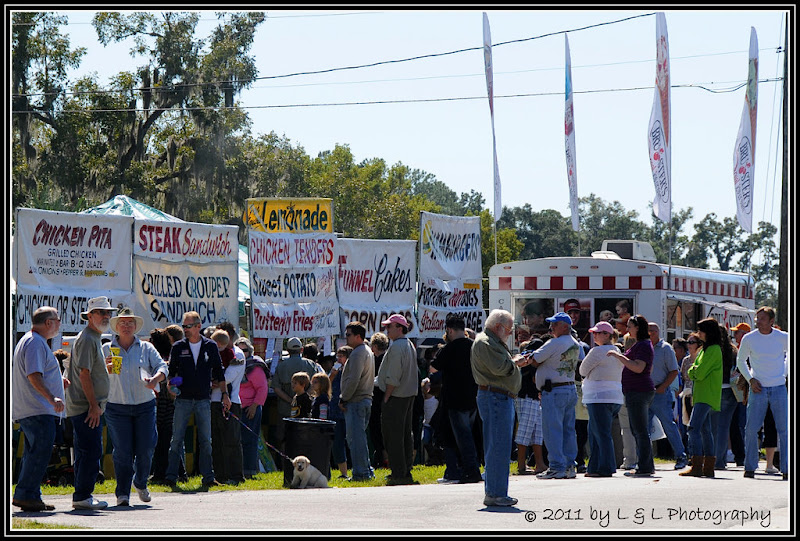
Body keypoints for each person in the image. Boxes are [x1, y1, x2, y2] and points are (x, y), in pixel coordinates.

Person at [103, 307, 167, 506]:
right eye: (122, 322)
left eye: (130, 322)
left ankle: (140, 482)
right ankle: (122, 493)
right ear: (116, 327)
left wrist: (155, 379)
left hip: (144, 405)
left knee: (147, 447)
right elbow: (95, 374)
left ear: (136, 326)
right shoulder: (106, 348)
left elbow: (163, 367)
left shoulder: (146, 348)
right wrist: (104, 369)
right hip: (116, 406)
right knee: (122, 451)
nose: (126, 326)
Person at [12, 307, 69, 512]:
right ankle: (26, 495)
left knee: (34, 453)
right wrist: (52, 396)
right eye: (58, 319)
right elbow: (34, 375)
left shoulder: (31, 340)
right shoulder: (35, 342)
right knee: (40, 453)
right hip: (38, 409)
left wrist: (57, 382)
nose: (59, 323)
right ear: (48, 323)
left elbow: (38, 373)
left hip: (33, 409)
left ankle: (30, 495)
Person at [65, 296, 118, 510]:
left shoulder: (93, 337)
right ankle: (83, 496)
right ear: (89, 316)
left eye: (108, 313)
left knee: (87, 451)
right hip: (86, 408)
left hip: (86, 406)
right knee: (90, 451)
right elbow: (84, 374)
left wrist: (103, 367)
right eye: (101, 312)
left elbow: (88, 369)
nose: (106, 316)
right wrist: (94, 406)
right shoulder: (88, 338)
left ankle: (82, 495)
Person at [165, 311, 229, 488]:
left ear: (198, 326)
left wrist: (225, 395)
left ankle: (208, 477)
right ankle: (171, 476)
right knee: (176, 439)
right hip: (183, 398)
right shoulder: (178, 347)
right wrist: (171, 385)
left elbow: (219, 372)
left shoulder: (211, 346)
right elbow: (171, 372)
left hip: (202, 399)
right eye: (183, 326)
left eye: (188, 326)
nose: (184, 329)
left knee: (205, 440)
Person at [471, 309, 523, 507]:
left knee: (498, 446)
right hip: (495, 397)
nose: (510, 333)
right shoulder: (486, 342)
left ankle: (496, 492)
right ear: (498, 327)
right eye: (509, 329)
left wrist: (514, 363)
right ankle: (495, 493)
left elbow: (501, 366)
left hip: (498, 396)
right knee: (498, 447)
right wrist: (516, 363)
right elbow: (500, 368)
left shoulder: (491, 341)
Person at [525, 312, 582, 480]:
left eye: (555, 324)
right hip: (569, 388)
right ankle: (570, 465)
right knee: (568, 430)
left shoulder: (554, 343)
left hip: (554, 391)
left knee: (552, 430)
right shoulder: (575, 343)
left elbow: (535, 359)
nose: (551, 327)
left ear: (565, 326)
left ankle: (556, 466)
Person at [737, 307, 788, 480]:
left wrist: (784, 373)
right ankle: (750, 466)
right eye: (757, 318)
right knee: (751, 428)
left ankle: (787, 468)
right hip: (757, 388)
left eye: (762, 319)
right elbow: (741, 360)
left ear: (771, 321)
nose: (758, 321)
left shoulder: (783, 337)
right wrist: (750, 379)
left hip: (779, 387)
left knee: (784, 430)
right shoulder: (749, 338)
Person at [429, 314, 481, 484]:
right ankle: (467, 469)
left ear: (449, 330)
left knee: (462, 437)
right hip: (473, 397)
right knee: (469, 435)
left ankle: (470, 471)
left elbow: (433, 368)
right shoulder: (474, 346)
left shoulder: (448, 349)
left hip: (454, 398)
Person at [606, 314, 655, 478]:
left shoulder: (643, 345)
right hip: (635, 391)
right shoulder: (640, 345)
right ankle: (644, 464)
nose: (627, 329)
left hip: (639, 391)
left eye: (630, 326)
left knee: (640, 430)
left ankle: (645, 466)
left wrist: (619, 356)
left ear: (638, 327)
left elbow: (639, 367)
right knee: (637, 429)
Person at [376, 314, 419, 485]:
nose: (387, 329)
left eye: (390, 326)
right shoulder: (409, 344)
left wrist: (387, 396)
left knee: (393, 436)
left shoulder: (396, 347)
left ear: (399, 328)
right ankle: (405, 469)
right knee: (405, 434)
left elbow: (394, 376)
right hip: (408, 395)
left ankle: (398, 472)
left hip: (396, 396)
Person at [579, 321, 624, 477]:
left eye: (597, 333)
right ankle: (594, 467)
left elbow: (582, 370)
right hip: (614, 397)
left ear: (607, 335)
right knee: (596, 432)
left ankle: (606, 467)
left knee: (601, 433)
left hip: (598, 397)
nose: (594, 335)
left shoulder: (597, 351)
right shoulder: (617, 350)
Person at [680, 318, 723, 478]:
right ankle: (708, 467)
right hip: (702, 394)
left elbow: (698, 372)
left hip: (706, 395)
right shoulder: (706, 350)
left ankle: (697, 465)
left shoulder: (713, 350)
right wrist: (694, 371)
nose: (698, 334)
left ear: (708, 332)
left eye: (700, 331)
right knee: (705, 430)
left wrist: (693, 371)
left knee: (693, 428)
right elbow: (694, 370)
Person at [646, 323, 688, 470]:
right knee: (643, 428)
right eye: (648, 331)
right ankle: (645, 460)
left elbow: (674, 371)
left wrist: (663, 387)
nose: (650, 333)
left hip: (660, 394)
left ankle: (681, 456)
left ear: (658, 332)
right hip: (645, 393)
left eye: (653, 331)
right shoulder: (643, 347)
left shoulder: (666, 349)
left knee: (669, 426)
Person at [340, 322, 376, 481]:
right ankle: (366, 469)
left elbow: (354, 379)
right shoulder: (366, 350)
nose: (346, 337)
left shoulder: (357, 353)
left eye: (348, 335)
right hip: (364, 400)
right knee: (359, 438)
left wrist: (344, 397)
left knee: (355, 439)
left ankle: (361, 473)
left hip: (356, 401)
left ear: (358, 336)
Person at [210, 329, 245, 485]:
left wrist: (212, 383)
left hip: (231, 402)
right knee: (217, 441)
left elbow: (228, 378)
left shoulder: (237, 354)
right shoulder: (214, 352)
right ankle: (220, 475)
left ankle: (235, 475)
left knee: (231, 440)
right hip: (214, 401)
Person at [271, 337, 321, 446]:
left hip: (285, 409)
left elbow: (276, 388)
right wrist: (304, 397)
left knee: (284, 438)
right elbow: (315, 385)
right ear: (301, 350)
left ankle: (285, 462)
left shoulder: (281, 366)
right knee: (304, 438)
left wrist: (291, 400)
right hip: (305, 409)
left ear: (288, 350)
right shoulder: (311, 365)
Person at [149, 327, 183, 484]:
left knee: (162, 439)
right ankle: (179, 472)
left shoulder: (159, 361)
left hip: (163, 401)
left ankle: (161, 473)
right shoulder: (170, 358)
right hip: (171, 401)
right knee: (169, 438)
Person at [236, 338, 269, 478]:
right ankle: (242, 470)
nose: (242, 352)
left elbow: (262, 388)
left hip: (250, 408)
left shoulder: (254, 367)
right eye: (239, 349)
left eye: (245, 350)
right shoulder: (234, 365)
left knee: (250, 441)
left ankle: (250, 471)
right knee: (239, 441)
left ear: (250, 351)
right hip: (236, 407)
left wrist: (255, 406)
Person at [513, 337, 546, 476]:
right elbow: (535, 380)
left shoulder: (527, 359)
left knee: (537, 433)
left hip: (532, 399)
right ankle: (521, 465)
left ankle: (540, 463)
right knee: (525, 432)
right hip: (526, 398)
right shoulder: (531, 363)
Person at [711, 324, 740, 470]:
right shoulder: (733, 350)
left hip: (716, 390)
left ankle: (717, 460)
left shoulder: (712, 350)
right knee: (724, 427)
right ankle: (720, 460)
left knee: (714, 428)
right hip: (731, 391)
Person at [329, 347, 352, 478]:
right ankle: (343, 472)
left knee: (351, 441)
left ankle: (358, 469)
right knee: (337, 442)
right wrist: (332, 375)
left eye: (341, 356)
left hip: (347, 410)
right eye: (337, 356)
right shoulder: (334, 372)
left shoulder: (351, 371)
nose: (338, 359)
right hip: (335, 412)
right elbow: (326, 385)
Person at [368, 332, 389, 469]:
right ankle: (383, 459)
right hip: (387, 397)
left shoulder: (374, 361)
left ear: (374, 346)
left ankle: (383, 459)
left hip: (376, 399)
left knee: (377, 431)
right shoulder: (388, 359)